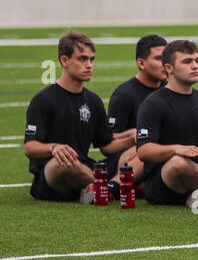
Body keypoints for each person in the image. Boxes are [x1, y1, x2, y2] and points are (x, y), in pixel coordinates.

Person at [24, 31, 130, 202]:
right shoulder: (43, 100)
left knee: (138, 152)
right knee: (64, 163)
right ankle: (107, 189)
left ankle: (97, 189)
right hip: (53, 172)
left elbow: (106, 145)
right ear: (64, 60)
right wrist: (54, 148)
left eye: (92, 59)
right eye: (82, 59)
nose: (89, 65)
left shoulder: (93, 100)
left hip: (85, 166)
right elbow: (29, 148)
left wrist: (135, 139)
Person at [134, 40, 198, 206]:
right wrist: (176, 149)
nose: (195, 66)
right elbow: (143, 150)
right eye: (187, 61)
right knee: (179, 163)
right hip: (164, 181)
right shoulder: (153, 103)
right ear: (169, 68)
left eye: (197, 61)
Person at [106, 33, 167, 179]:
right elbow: (108, 140)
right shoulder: (124, 95)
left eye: (167, 58)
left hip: (163, 152)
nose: (165, 63)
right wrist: (132, 135)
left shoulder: (170, 89)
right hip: (131, 158)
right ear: (141, 63)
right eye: (159, 58)